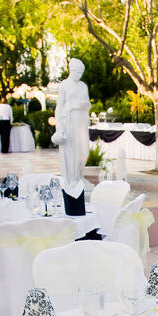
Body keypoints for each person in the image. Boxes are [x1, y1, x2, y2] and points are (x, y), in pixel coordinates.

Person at [52, 59, 90, 213]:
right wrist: (59, 126)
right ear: (71, 70)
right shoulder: (64, 86)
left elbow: (87, 103)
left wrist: (83, 105)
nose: (79, 75)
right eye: (77, 72)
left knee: (83, 152)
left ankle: (79, 177)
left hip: (80, 121)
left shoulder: (83, 86)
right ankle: (71, 181)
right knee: (70, 153)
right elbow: (59, 107)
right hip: (69, 121)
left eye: (81, 73)